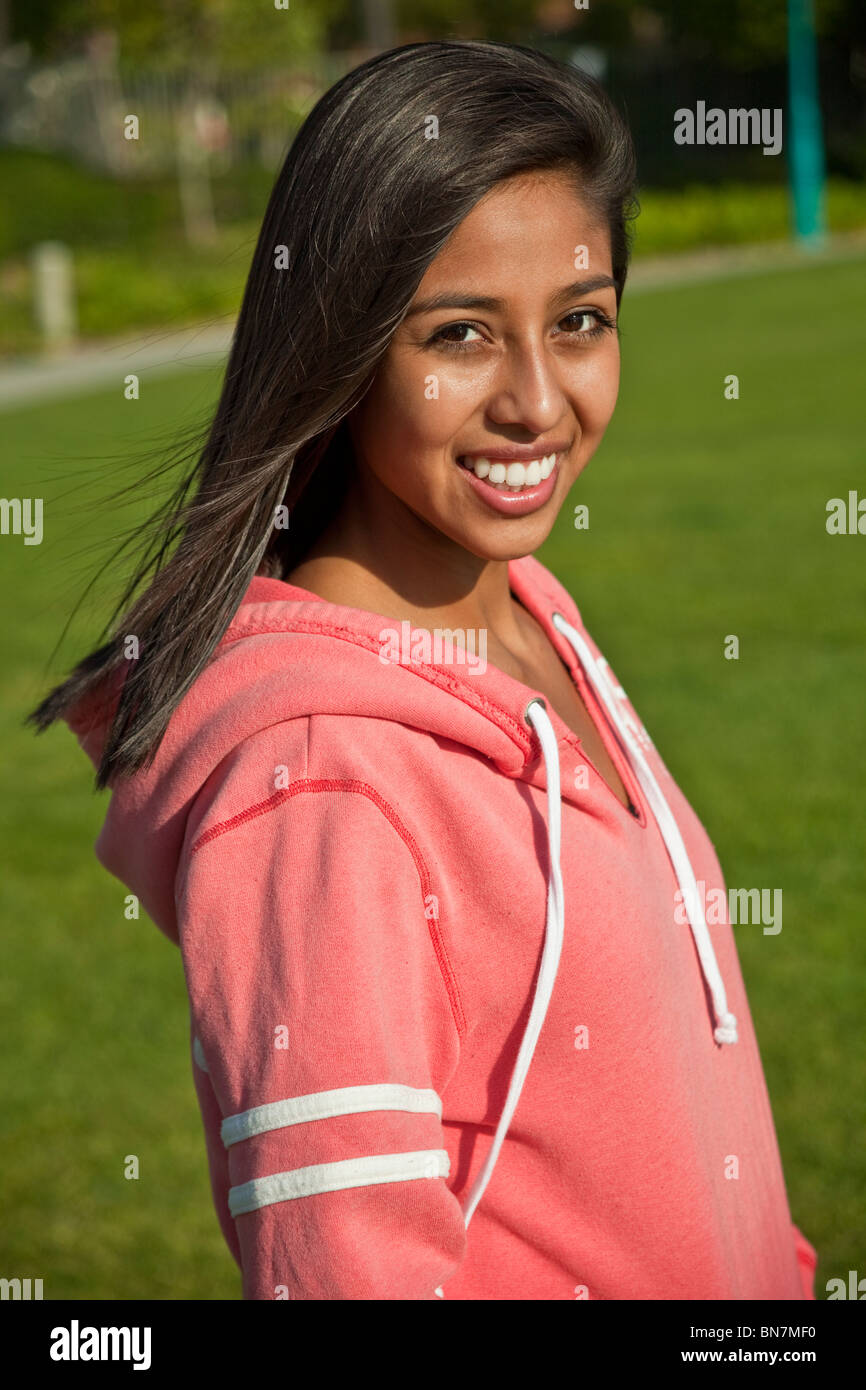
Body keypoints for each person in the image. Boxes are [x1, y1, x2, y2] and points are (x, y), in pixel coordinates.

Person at [30, 39, 817, 1300]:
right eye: (457, 334)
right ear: (341, 348)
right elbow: (347, 1273)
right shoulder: (316, 771)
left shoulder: (536, 620)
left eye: (578, 323)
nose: (534, 402)